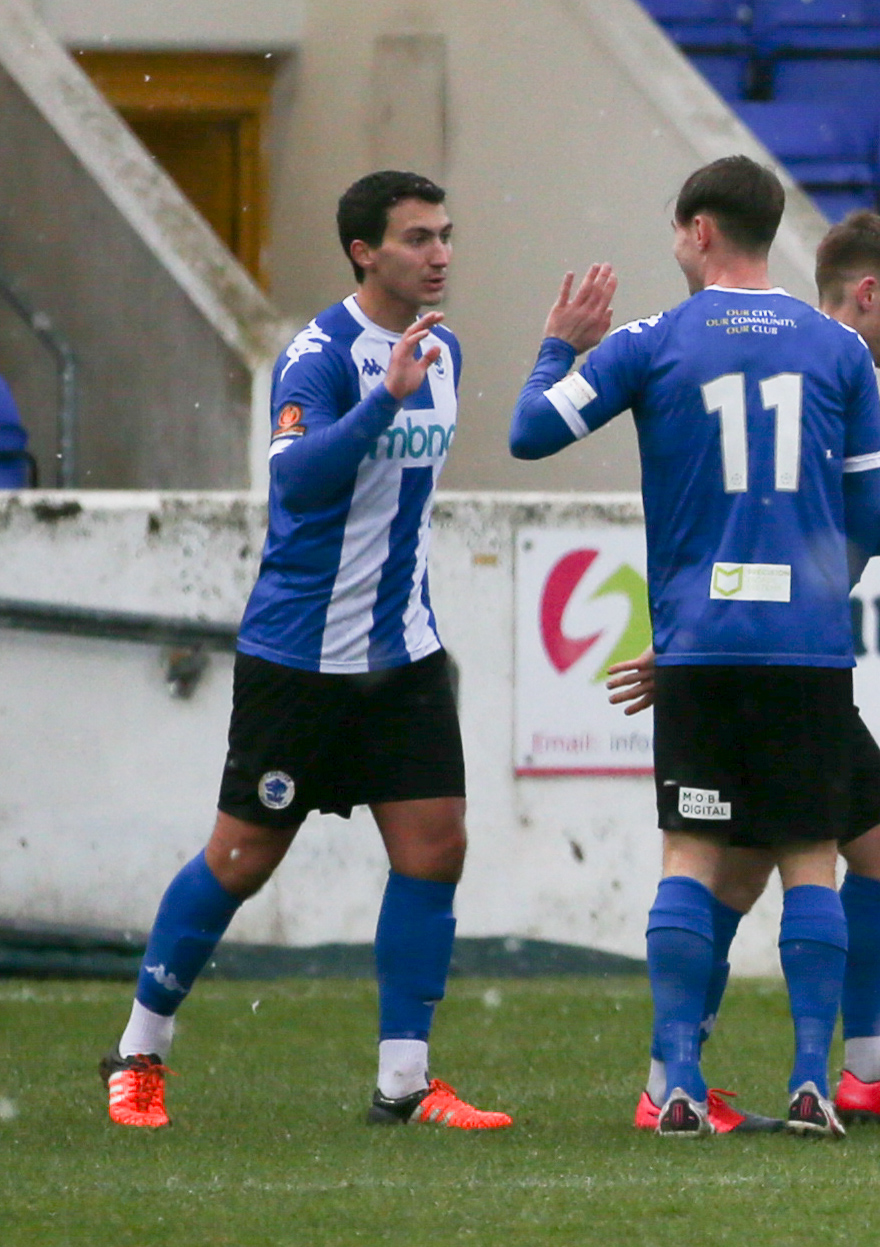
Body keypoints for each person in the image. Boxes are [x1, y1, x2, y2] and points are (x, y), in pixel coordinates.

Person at [100, 170, 548, 1130]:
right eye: (419, 238)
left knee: (436, 847)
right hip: (300, 657)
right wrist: (382, 400)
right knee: (241, 857)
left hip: (404, 654)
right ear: (364, 251)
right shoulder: (317, 357)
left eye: (446, 235)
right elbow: (297, 485)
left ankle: (404, 1080)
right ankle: (139, 1049)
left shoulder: (449, 349)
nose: (441, 254)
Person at [507, 158, 880, 1138]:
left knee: (691, 855)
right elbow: (851, 521)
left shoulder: (651, 341)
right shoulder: (833, 348)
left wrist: (555, 346)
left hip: (701, 643)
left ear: (699, 231)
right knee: (809, 858)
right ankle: (810, 1079)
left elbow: (529, 433)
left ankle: (674, 1079)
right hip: (805, 649)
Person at [605, 211, 880, 1131]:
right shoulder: (824, 364)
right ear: (866, 294)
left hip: (758, 646)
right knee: (756, 868)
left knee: (870, 847)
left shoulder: (791, 362)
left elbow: (799, 543)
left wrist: (876, 540)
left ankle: (851, 1064)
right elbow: (789, 536)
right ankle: (693, 1072)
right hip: (790, 660)